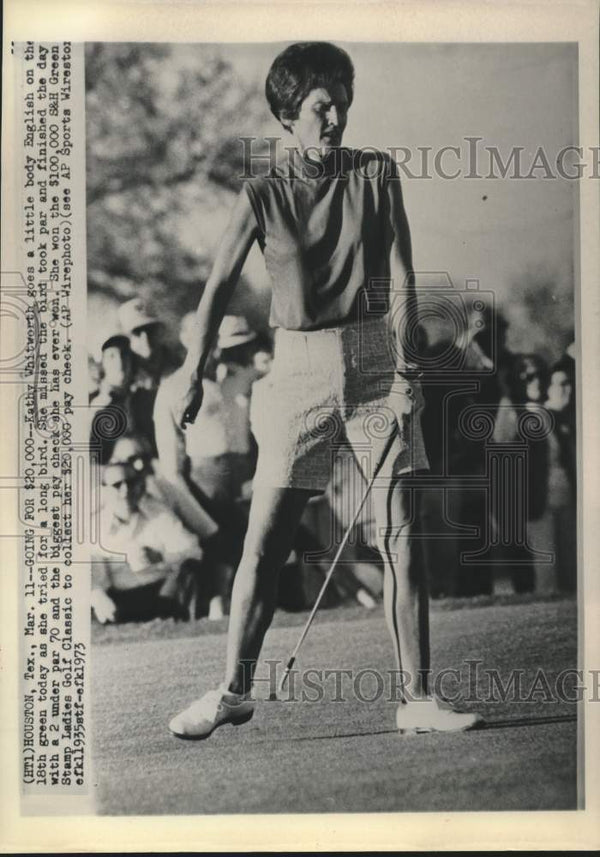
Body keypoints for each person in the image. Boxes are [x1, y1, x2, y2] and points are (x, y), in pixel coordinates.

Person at [168, 42, 483, 738]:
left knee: (401, 534)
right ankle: (232, 689)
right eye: (320, 104)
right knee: (265, 540)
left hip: (376, 364)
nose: (336, 113)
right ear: (288, 114)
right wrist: (191, 371)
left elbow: (401, 278)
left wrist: (408, 374)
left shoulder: (376, 174)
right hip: (296, 371)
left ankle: (417, 698)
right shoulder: (262, 193)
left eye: (342, 97)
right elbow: (216, 287)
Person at [91, 435, 209, 624]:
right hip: (122, 596)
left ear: (140, 486)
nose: (125, 490)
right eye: (117, 485)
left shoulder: (157, 512)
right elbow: (91, 574)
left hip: (162, 589)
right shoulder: (96, 526)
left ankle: (175, 618)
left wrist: (161, 557)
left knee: (189, 570)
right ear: (105, 491)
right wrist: (97, 596)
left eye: (130, 483)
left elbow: (192, 550)